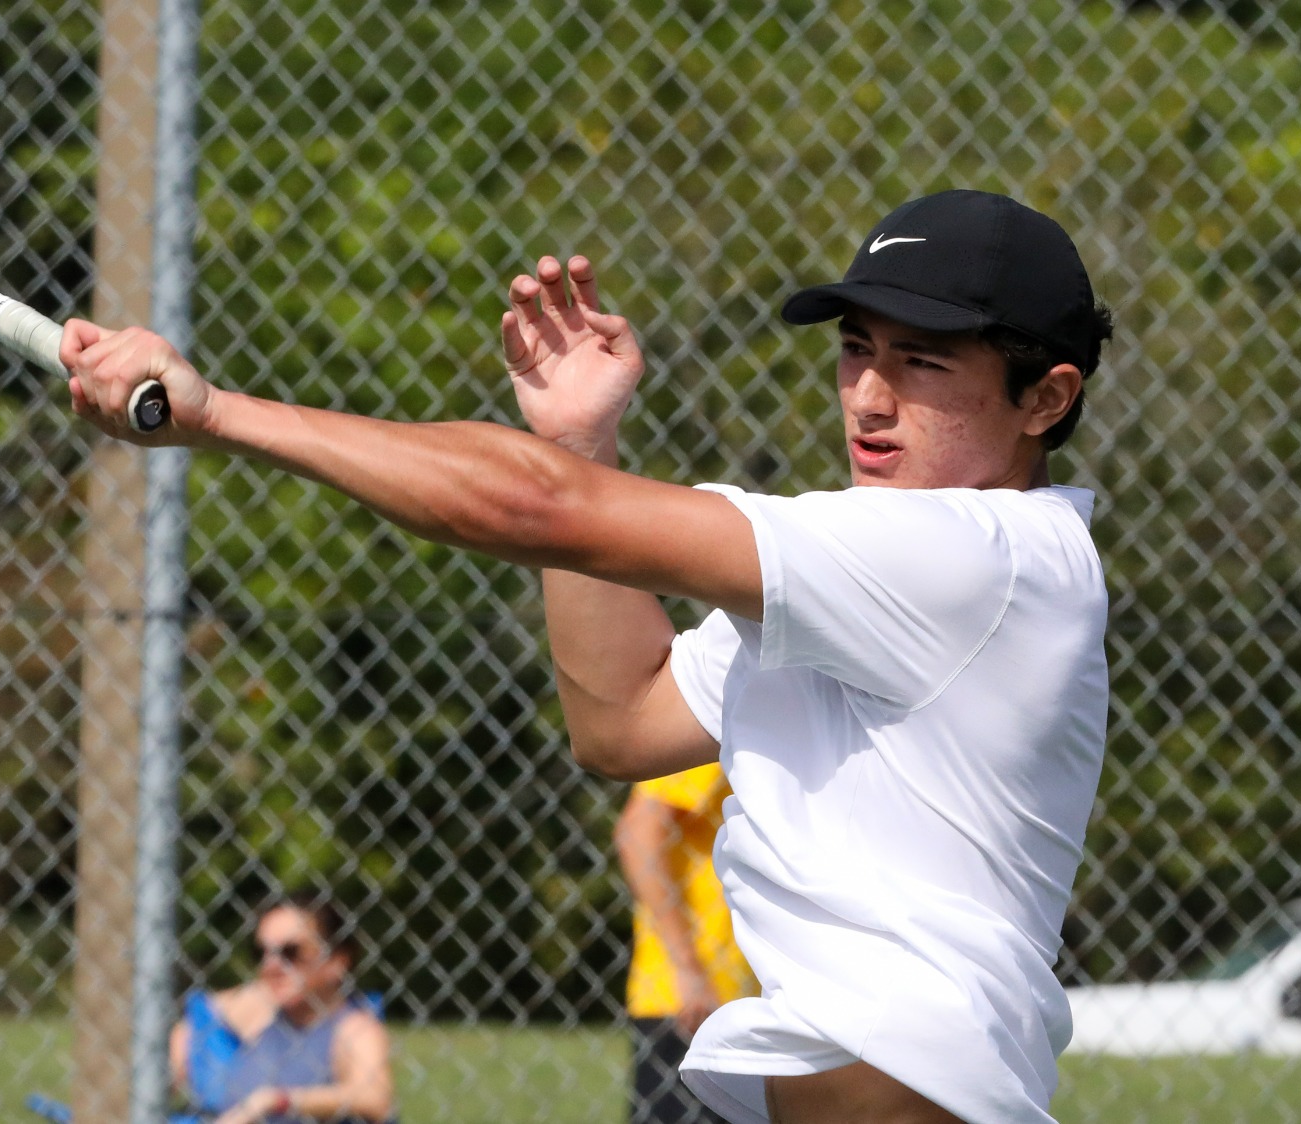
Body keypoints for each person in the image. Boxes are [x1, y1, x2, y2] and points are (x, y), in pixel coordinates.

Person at [64, 188, 1114, 1124]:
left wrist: (217, 414)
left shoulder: (980, 556)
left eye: (921, 362)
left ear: (1044, 398)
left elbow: (536, 510)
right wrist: (579, 446)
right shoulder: (868, 585)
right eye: (855, 349)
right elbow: (624, 719)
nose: (867, 398)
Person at [169, 897, 394, 1124]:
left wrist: (279, 1101)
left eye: (290, 952)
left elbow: (376, 1099)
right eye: (261, 953)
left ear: (336, 961)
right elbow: (202, 1015)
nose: (271, 965)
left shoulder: (351, 1027)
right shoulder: (266, 1015)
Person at [617, 766, 759, 1124]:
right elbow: (638, 832)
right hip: (696, 1000)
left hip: (733, 997)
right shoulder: (716, 726)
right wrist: (688, 968)